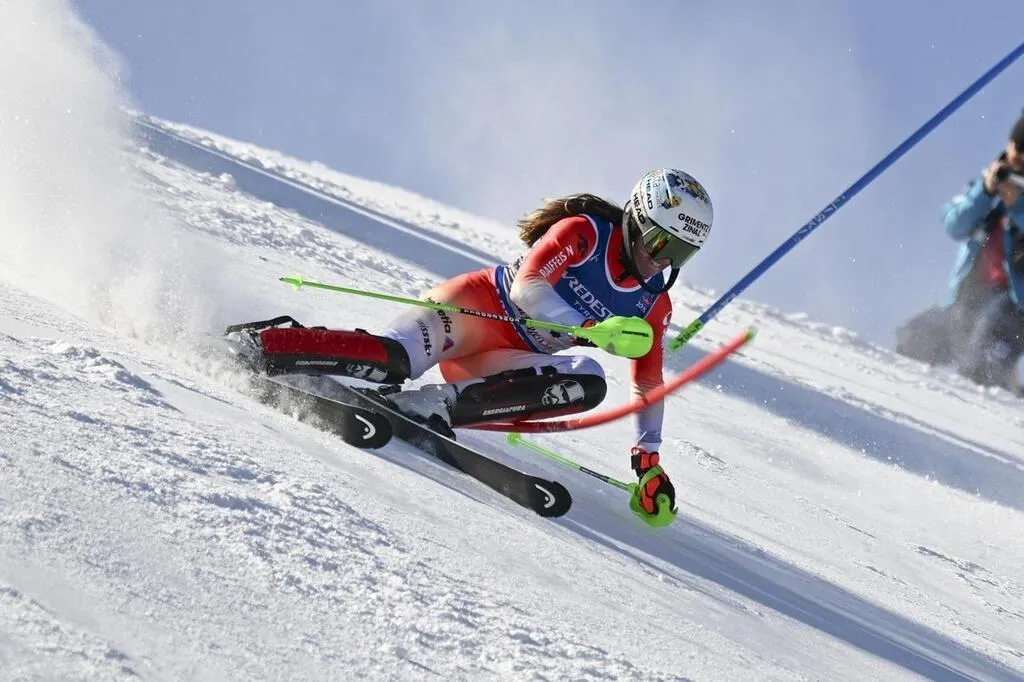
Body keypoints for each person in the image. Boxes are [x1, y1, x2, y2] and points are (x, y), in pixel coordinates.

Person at [227, 168, 714, 523]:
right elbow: (528, 288)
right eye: (658, 243)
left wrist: (647, 460)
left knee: (588, 379)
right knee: (392, 360)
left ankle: (433, 405)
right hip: (473, 311)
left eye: (679, 254)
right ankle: (267, 340)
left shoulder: (654, 304)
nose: (661, 262)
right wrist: (593, 324)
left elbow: (648, 381)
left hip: (506, 360)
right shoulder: (585, 232)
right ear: (634, 220)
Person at [895, 111, 1024, 391]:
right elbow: (954, 224)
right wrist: (986, 191)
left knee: (981, 364)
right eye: (1018, 150)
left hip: (1015, 309)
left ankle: (1002, 397)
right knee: (912, 341)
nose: (1019, 161)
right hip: (968, 296)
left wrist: (1019, 206)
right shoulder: (988, 186)